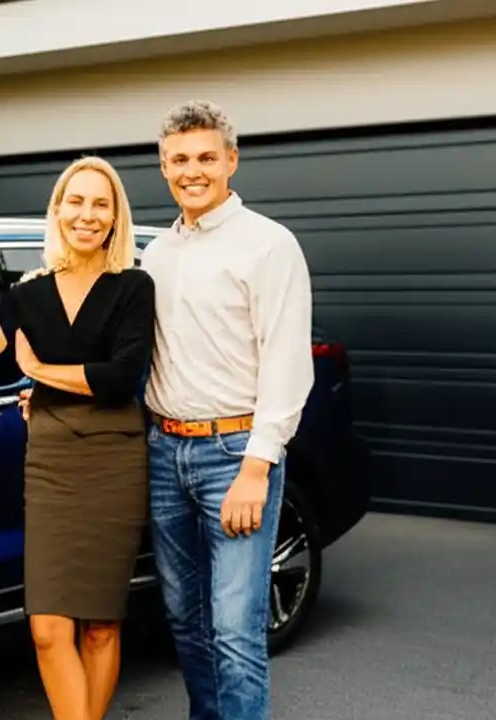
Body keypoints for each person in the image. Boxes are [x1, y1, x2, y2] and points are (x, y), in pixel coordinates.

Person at [0, 156, 155, 720]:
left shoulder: (133, 285)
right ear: (57, 210)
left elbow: (120, 379)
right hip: (52, 459)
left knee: (100, 625)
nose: (87, 215)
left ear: (115, 218)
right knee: (47, 627)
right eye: (77, 201)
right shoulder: (28, 291)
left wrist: (40, 373)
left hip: (115, 456)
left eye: (100, 204)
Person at [143, 100, 314, 719]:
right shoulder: (156, 255)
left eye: (206, 157)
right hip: (166, 453)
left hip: (234, 455)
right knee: (185, 619)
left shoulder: (269, 245)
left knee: (236, 632)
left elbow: (288, 365)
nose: (193, 170)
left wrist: (256, 466)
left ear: (231, 161)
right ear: (164, 168)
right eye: (180, 159)